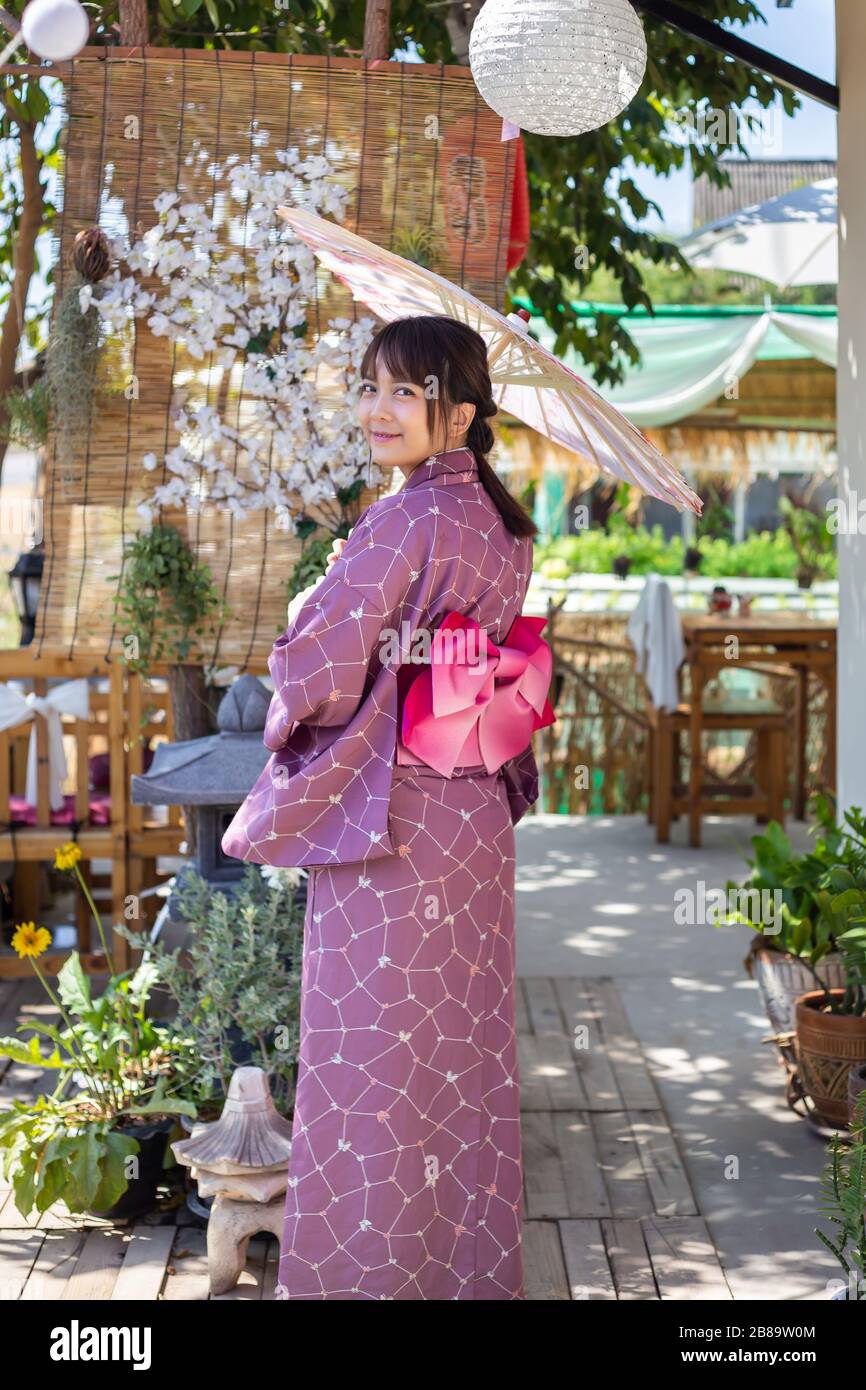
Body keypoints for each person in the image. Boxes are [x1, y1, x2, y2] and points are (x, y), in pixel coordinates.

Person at [222, 313, 551, 1300]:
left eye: (405, 392)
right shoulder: (501, 521)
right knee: (454, 1065)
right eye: (369, 386)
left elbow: (318, 665)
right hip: (469, 816)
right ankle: (460, 1276)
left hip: (392, 821)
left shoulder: (407, 517)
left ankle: (369, 1281)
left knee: (372, 1069)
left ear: (458, 406)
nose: (377, 409)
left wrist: (296, 630)